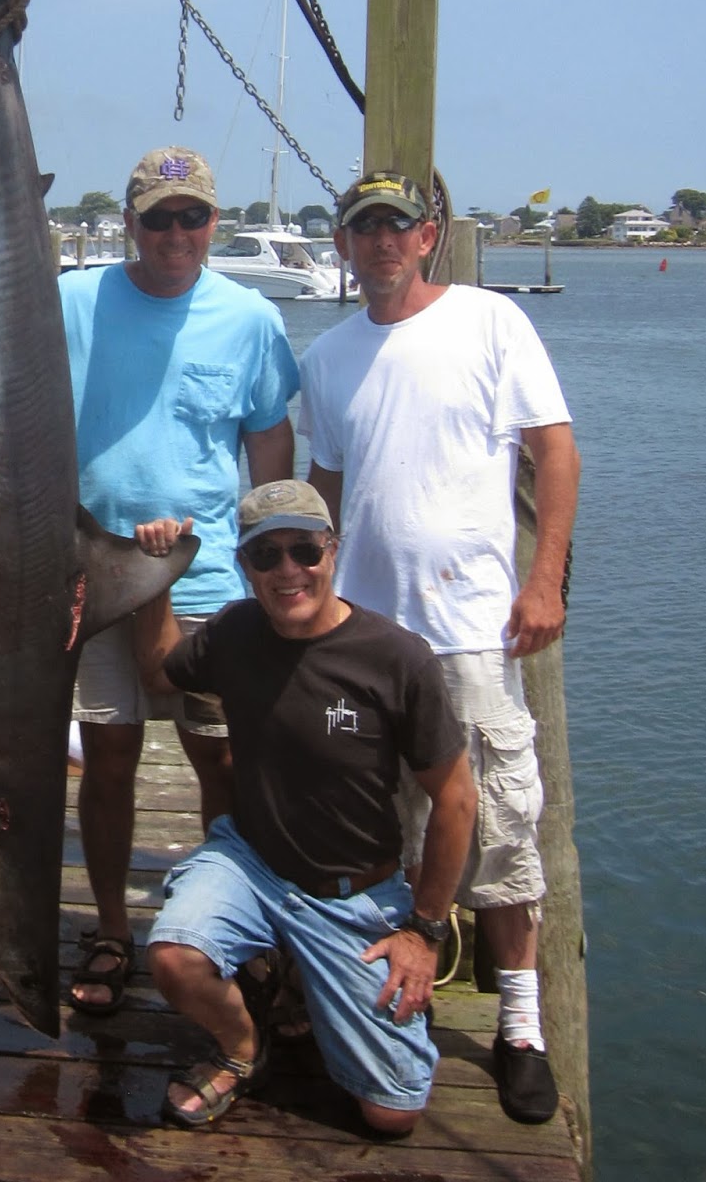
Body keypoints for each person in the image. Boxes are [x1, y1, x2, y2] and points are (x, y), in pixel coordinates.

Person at [299, 170, 582, 1125]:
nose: (381, 242)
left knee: (501, 830)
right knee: (380, 829)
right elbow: (325, 488)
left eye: (398, 226)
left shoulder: (492, 323)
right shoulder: (329, 356)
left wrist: (543, 579)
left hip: (471, 631)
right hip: (368, 635)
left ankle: (520, 1025)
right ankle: (395, 994)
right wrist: (307, 604)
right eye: (364, 228)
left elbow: (555, 450)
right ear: (343, 246)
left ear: (430, 238)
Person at [134, 480, 476, 1134]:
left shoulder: (397, 659)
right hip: (253, 864)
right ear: (244, 566)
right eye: (266, 557)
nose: (288, 571)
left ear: (333, 551)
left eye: (304, 552)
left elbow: (457, 800)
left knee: (391, 1116)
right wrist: (156, 574)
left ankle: (309, 979)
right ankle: (242, 1048)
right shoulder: (235, 631)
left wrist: (424, 932)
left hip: (355, 894)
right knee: (175, 957)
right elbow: (157, 674)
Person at [60, 146, 298, 1015]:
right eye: (157, 217)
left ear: (213, 221)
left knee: (221, 757)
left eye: (190, 216)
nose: (175, 234)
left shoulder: (250, 319)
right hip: (87, 569)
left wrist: (262, 557)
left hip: (198, 579)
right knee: (110, 755)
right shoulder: (73, 298)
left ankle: (232, 929)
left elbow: (270, 450)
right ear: (130, 222)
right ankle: (113, 927)